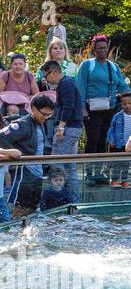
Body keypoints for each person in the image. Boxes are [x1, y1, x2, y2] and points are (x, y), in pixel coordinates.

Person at [75, 34, 130, 182]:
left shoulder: (113, 66)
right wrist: (82, 109)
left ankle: (99, 172)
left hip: (109, 108)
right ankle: (89, 173)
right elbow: (80, 87)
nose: (102, 51)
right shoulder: (87, 65)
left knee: (104, 139)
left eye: (105, 48)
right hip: (91, 109)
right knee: (93, 139)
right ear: (94, 49)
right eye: (99, 48)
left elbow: (122, 85)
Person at [0, 95, 55, 217]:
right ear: (34, 109)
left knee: (32, 210)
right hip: (25, 172)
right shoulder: (23, 124)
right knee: (19, 210)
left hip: (37, 172)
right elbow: (2, 136)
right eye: (44, 114)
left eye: (49, 115)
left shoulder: (40, 123)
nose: (46, 118)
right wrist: (13, 153)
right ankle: (15, 234)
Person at [41, 60, 84, 202]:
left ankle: (58, 200)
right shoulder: (66, 83)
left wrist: (61, 127)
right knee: (70, 167)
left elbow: (68, 106)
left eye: (46, 75)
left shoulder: (66, 83)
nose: (46, 79)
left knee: (57, 163)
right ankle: (73, 201)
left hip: (68, 128)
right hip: (73, 128)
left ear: (53, 72)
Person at [107, 91, 131, 188]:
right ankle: (114, 180)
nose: (127, 105)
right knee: (117, 163)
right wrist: (111, 140)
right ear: (121, 105)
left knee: (126, 163)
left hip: (129, 145)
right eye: (124, 104)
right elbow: (111, 129)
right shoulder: (117, 116)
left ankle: (124, 181)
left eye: (129, 103)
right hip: (118, 144)